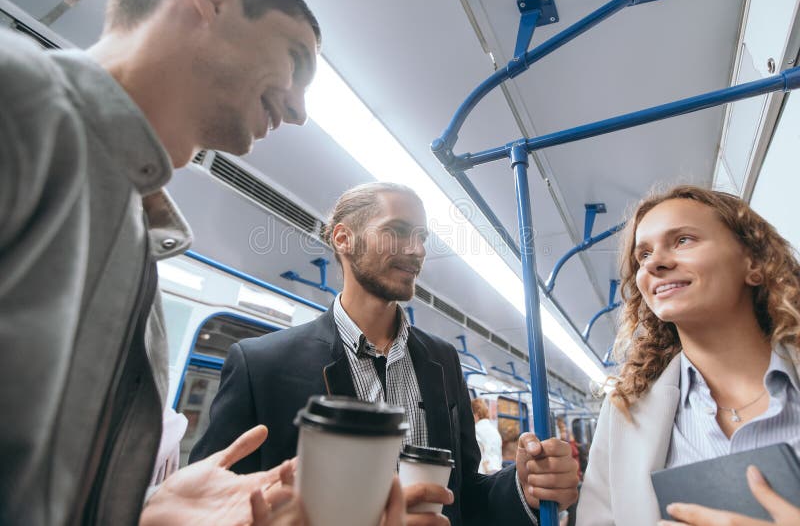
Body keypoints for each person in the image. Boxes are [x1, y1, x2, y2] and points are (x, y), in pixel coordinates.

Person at [0, 0, 323, 526]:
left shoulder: (138, 239)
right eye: (296, 61)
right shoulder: (16, 98)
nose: (299, 112)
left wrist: (146, 512)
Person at [191, 182, 580, 525]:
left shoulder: (442, 361)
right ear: (343, 239)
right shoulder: (263, 365)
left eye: (422, 237)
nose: (416, 250)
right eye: (397, 231)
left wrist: (522, 486)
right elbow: (215, 509)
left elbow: (463, 496)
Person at [576, 186, 800, 526]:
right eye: (643, 255)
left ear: (753, 262)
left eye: (683, 240)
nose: (656, 263)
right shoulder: (623, 411)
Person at [471, 398, 502, 474]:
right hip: (497, 470)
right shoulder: (494, 430)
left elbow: (479, 456)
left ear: (476, 415)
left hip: (484, 472)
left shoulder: (476, 430)